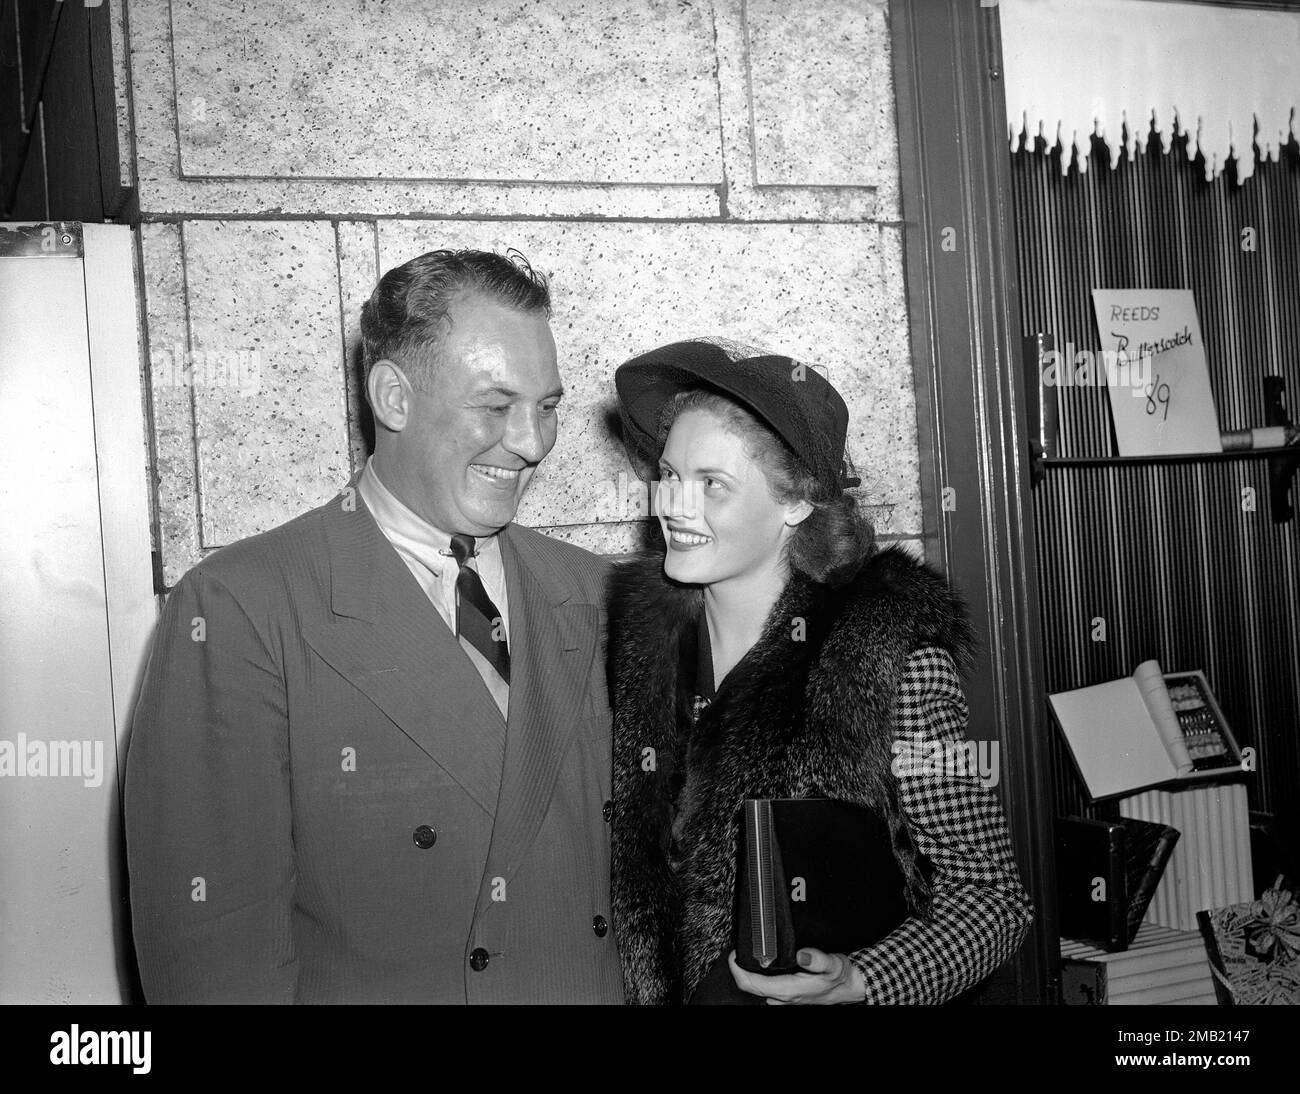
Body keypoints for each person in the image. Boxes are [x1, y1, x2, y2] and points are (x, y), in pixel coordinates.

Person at [125, 249, 624, 1004]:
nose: (532, 443)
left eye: (547, 406)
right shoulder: (240, 609)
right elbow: (213, 955)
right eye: (495, 405)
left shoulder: (596, 592)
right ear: (393, 396)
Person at [607, 338, 1034, 1005]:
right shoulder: (640, 652)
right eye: (668, 474)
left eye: (712, 485)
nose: (673, 505)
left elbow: (992, 902)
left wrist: (864, 979)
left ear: (796, 502)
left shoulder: (886, 665)